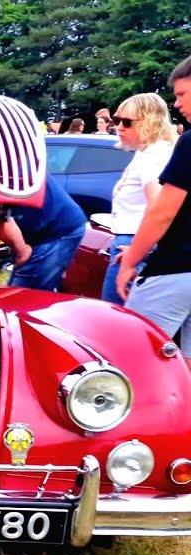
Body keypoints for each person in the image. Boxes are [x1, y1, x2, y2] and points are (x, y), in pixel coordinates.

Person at [117, 55, 191, 371]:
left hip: (176, 269)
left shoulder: (189, 144)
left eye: (182, 94)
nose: (176, 104)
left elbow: (162, 211)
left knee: (131, 355)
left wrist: (132, 260)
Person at [99, 93, 177, 303]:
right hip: (138, 239)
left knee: (117, 316)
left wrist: (138, 250)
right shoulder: (152, 152)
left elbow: (159, 205)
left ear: (150, 121)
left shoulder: (153, 155)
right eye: (116, 120)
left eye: (127, 122)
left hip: (134, 240)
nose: (119, 127)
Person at [0, 174, 87, 291]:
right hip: (42, 225)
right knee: (18, 291)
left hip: (58, 227)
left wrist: (22, 251)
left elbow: (1, 219)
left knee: (22, 295)